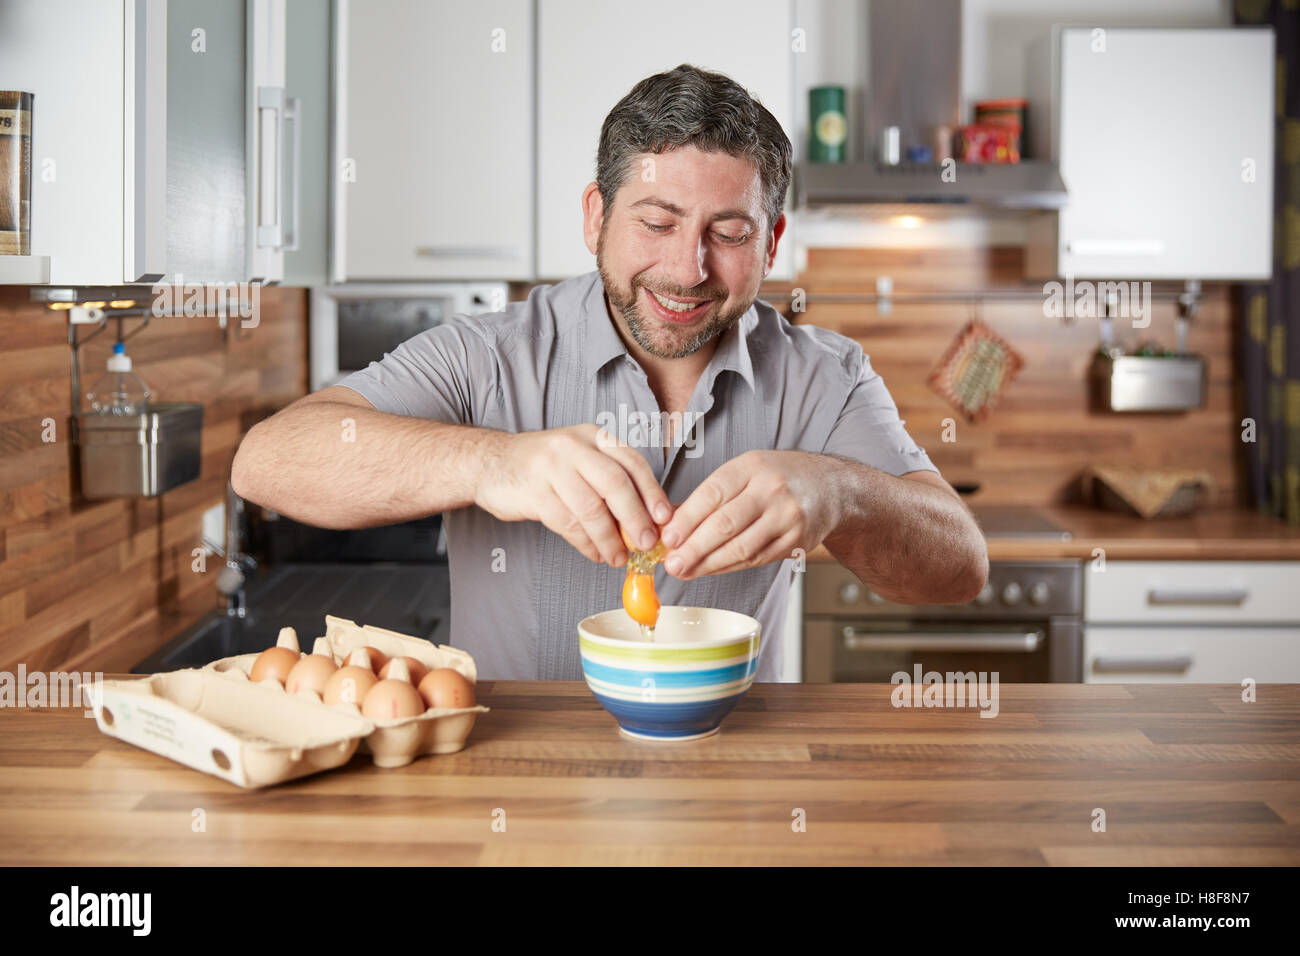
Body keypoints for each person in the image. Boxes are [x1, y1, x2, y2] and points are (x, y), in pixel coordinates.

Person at [231, 63, 988, 681]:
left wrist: (839, 491)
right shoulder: (489, 355)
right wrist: (492, 462)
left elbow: (960, 569)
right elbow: (268, 461)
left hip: (734, 787)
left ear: (772, 241)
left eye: (727, 233)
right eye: (656, 223)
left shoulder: (826, 377)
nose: (687, 269)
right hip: (512, 790)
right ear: (596, 216)